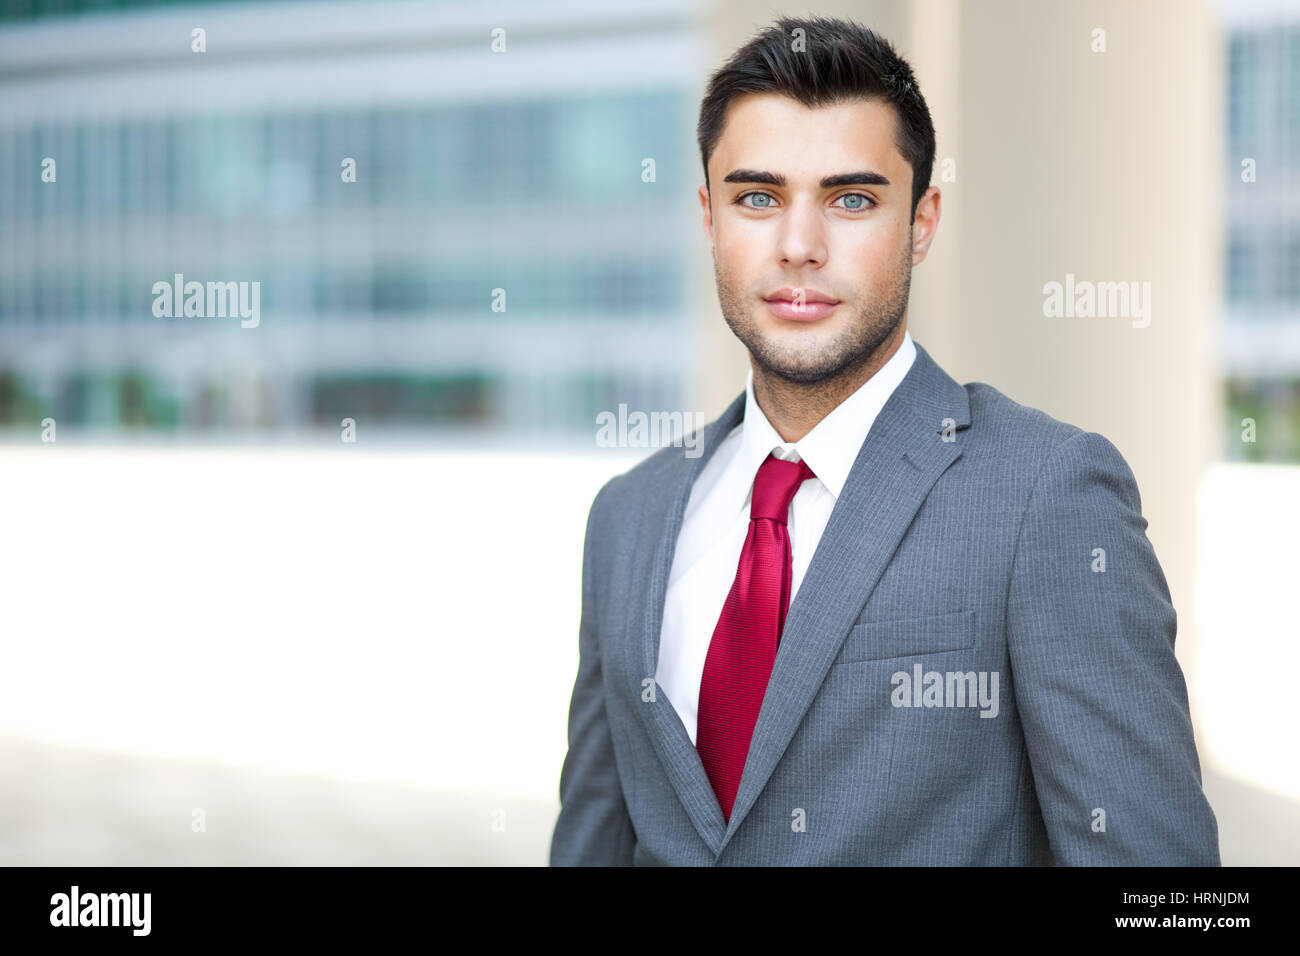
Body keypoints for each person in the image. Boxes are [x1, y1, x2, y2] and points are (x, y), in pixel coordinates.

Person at [550, 15, 1219, 866]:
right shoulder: (628, 517)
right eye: (758, 197)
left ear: (923, 221)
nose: (799, 246)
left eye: (852, 199)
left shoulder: (1046, 495)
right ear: (710, 217)